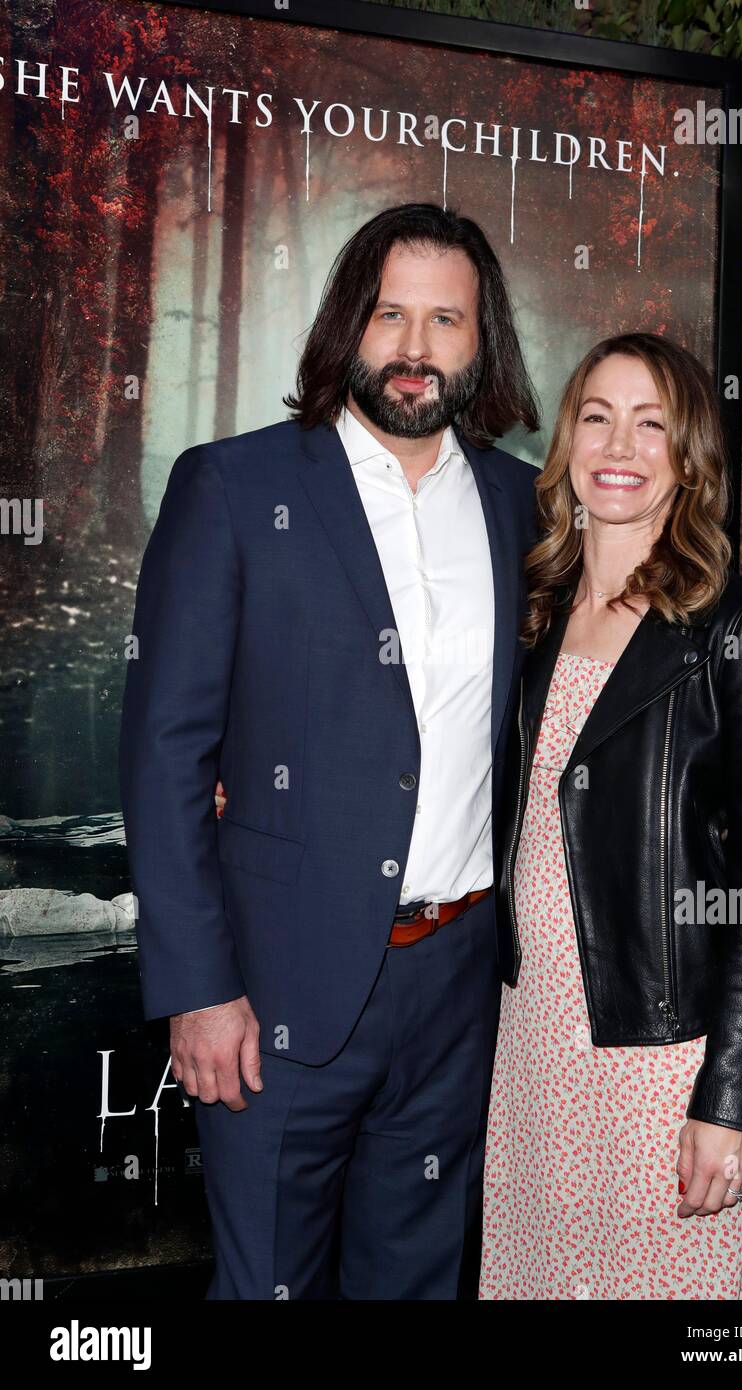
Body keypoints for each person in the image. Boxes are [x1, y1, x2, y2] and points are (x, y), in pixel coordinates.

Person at [119, 203, 540, 1300]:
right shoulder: (234, 487)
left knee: (413, 1283)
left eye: (444, 318)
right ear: (345, 323)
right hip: (274, 985)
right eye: (388, 312)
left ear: (479, 340)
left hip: (456, 982)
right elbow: (165, 755)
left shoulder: (517, 502)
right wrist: (197, 988)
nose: (414, 345)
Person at [480, 332, 742, 1300]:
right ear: (565, 447)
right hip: (528, 1042)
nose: (618, 444)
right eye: (595, 416)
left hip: (663, 1055)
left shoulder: (736, 627)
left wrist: (732, 1101)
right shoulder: (527, 616)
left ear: (686, 459)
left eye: (650, 422)